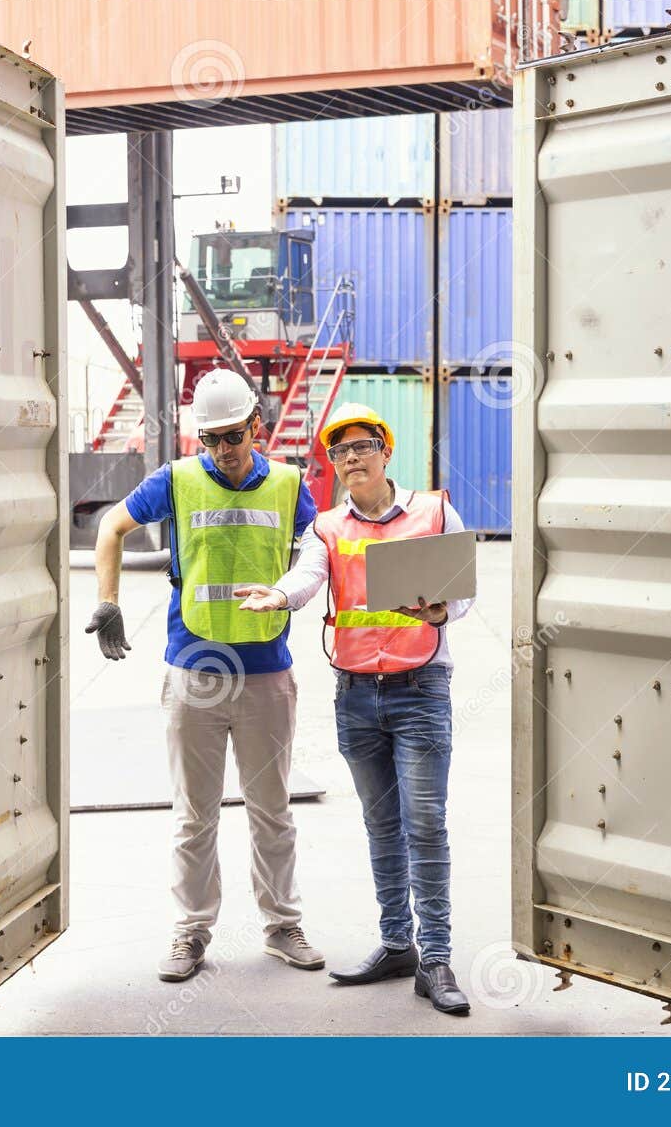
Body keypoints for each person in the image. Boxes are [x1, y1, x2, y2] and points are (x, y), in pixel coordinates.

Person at [86, 369, 324, 983]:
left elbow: (324, 553)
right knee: (195, 814)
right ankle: (191, 932)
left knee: (272, 809)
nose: (223, 449)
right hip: (194, 670)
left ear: (256, 427)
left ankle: (281, 926)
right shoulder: (177, 480)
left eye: (233, 436)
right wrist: (108, 600)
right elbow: (111, 527)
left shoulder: (292, 485)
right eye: (211, 438)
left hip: (267, 670)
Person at [235, 402, 474, 1016]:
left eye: (362, 446)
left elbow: (464, 591)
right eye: (338, 452)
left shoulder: (433, 510)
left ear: (385, 451)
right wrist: (280, 595)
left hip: (421, 688)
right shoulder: (330, 527)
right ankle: (397, 944)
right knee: (382, 825)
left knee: (426, 824)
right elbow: (308, 577)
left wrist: (443, 612)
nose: (350, 459)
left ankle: (437, 957)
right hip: (357, 696)